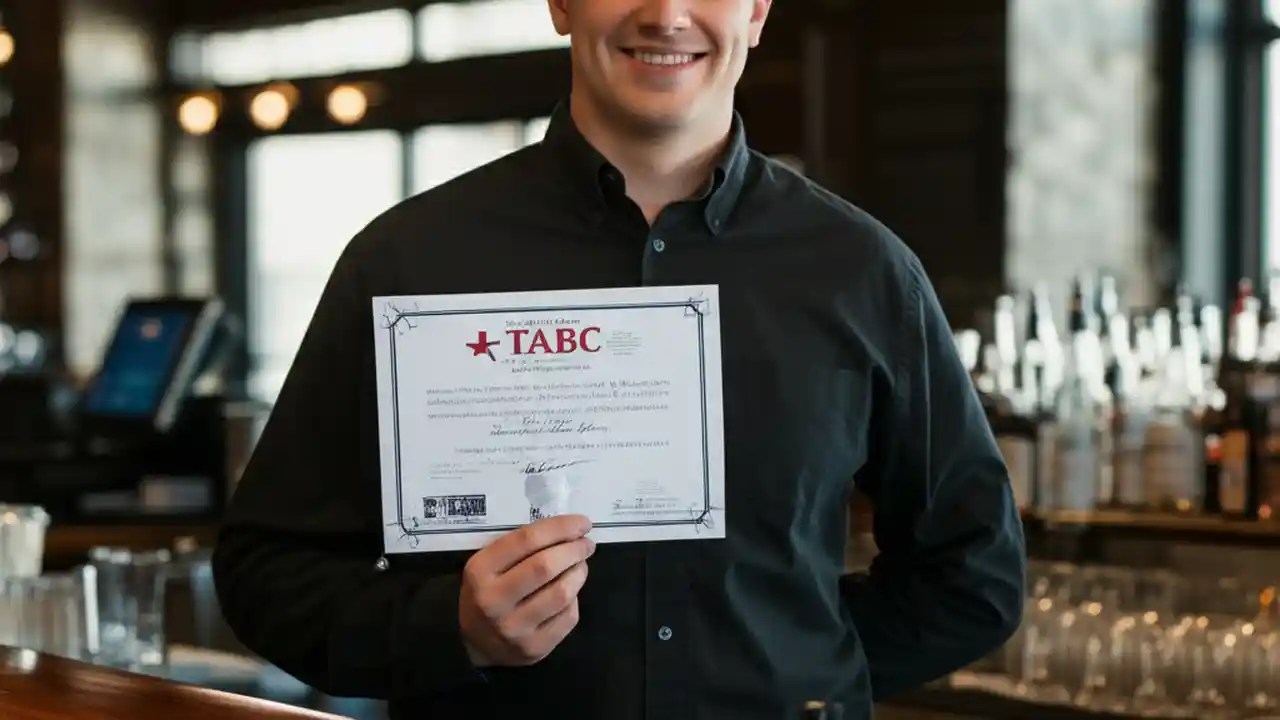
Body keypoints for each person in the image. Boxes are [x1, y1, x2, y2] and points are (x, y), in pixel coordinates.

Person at [211, 0, 1027, 718]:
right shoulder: (407, 261)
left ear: (757, 11)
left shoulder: (863, 272)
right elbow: (266, 575)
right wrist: (446, 627)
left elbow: (974, 576)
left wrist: (800, 671)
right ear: (561, 3)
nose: (666, 15)